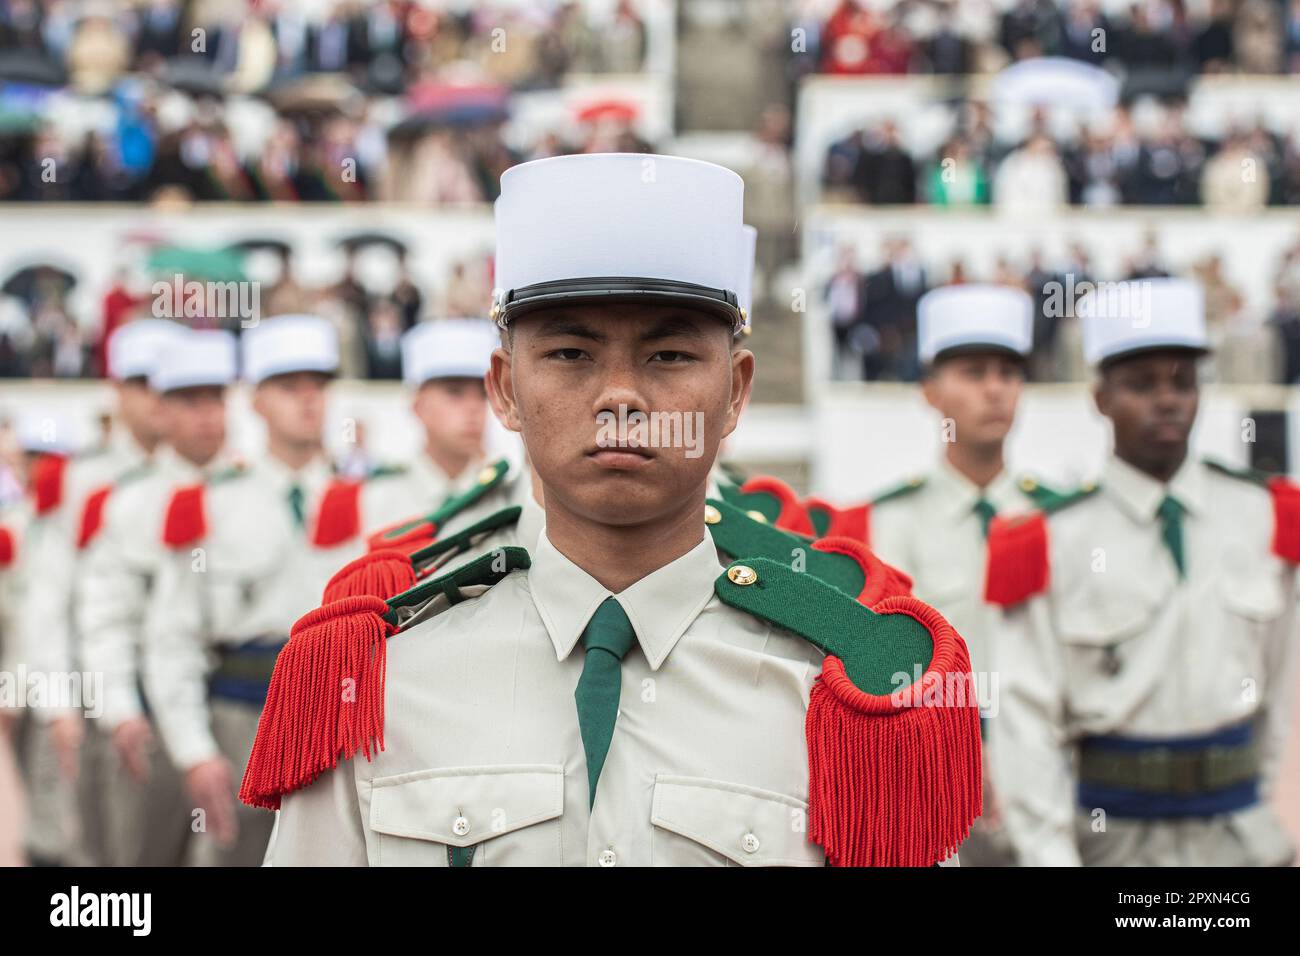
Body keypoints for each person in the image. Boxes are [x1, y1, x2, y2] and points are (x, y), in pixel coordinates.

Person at [242, 153, 981, 867]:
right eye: (570, 354)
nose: (620, 396)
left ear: (738, 392)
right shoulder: (377, 685)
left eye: (669, 357)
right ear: (503, 389)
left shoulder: (839, 699)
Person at [988, 278, 1299, 866]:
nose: (1167, 400)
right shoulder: (1047, 539)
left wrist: (1262, 812)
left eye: (1182, 381)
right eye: (1140, 384)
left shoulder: (1263, 515)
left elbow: (1280, 692)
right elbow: (1027, 724)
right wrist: (1052, 857)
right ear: (1100, 397)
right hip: (1112, 838)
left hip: (1238, 834)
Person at [143, 314, 360, 867]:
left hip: (340, 716)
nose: (309, 401)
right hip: (243, 718)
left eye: (318, 386)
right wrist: (194, 751)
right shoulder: (210, 504)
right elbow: (173, 637)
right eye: (289, 387)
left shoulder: (367, 498)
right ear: (256, 401)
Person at [861, 283, 1066, 866]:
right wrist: (968, 760)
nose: (996, 389)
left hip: (1054, 780)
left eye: (1008, 372)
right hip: (929, 781)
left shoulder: (1061, 519)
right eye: (973, 371)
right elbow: (888, 671)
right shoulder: (886, 522)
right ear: (930, 392)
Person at [17, 319, 182, 865]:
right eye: (141, 382)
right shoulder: (80, 480)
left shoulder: (204, 477)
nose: (156, 396)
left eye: (168, 383)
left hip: (188, 697)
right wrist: (59, 704)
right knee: (105, 859)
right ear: (116, 389)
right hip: (101, 698)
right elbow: (50, 599)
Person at [77, 329, 238, 866]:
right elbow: (105, 618)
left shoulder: (257, 494)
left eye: (216, 398)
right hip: (149, 721)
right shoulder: (129, 503)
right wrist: (120, 710)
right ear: (162, 412)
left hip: (238, 712)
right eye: (189, 401)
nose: (207, 415)